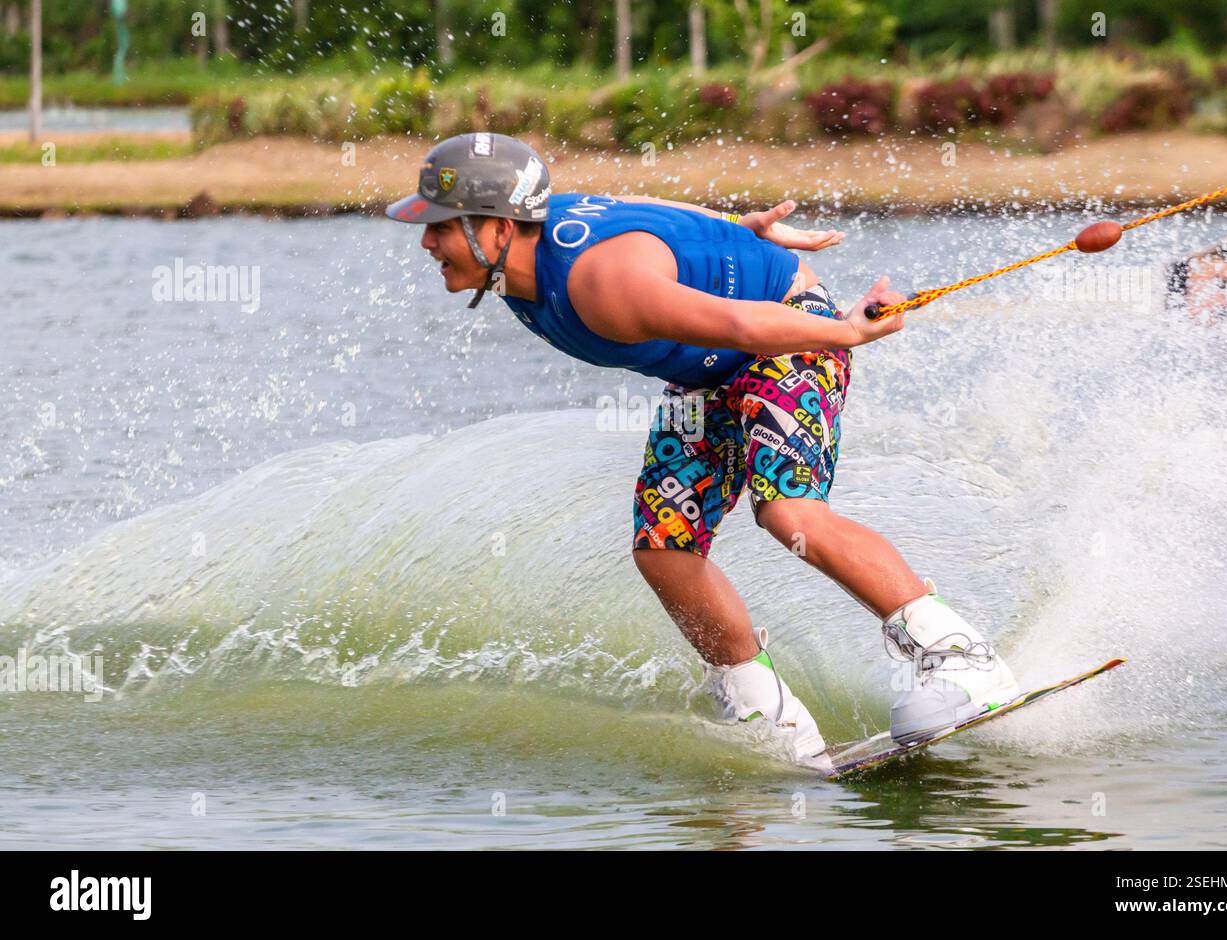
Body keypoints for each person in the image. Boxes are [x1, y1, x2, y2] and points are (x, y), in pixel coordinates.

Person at [387, 132, 1019, 771]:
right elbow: (635, 205)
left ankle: (961, 656)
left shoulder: (600, 284)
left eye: (440, 227)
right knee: (663, 549)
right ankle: (764, 711)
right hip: (709, 371)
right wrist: (729, 232)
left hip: (786, 326)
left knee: (788, 513)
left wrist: (847, 330)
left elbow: (744, 327)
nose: (425, 242)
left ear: (497, 228)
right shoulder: (526, 255)